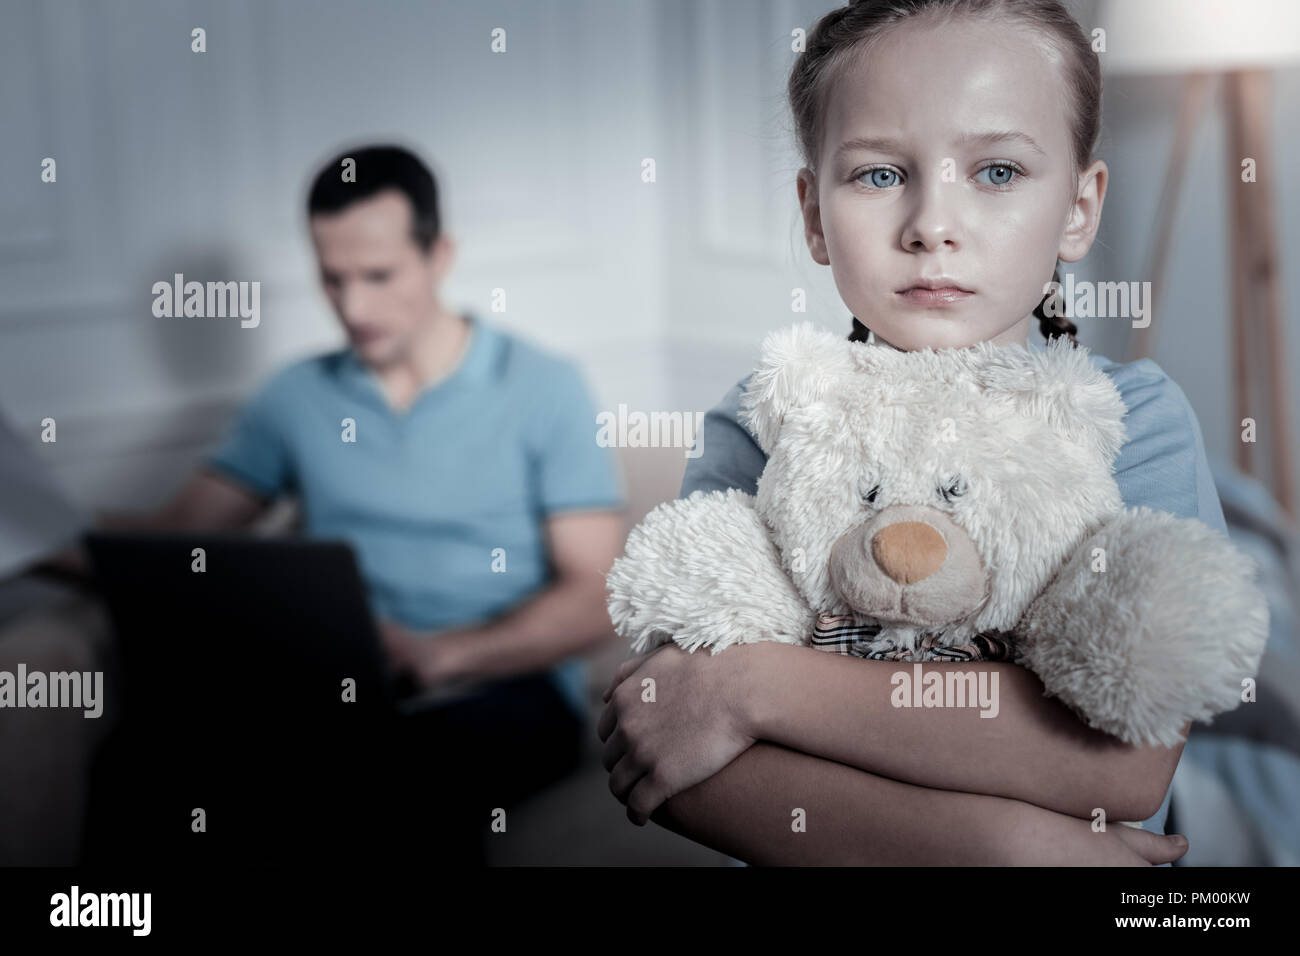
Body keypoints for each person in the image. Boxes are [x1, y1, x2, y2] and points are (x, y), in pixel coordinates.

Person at [598, 0, 1210, 865]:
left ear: (1079, 207)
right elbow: (667, 737)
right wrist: (1005, 846)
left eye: (997, 172)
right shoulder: (766, 422)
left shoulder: (1139, 425)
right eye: (880, 175)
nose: (932, 224)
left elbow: (1128, 766)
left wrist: (754, 686)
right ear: (814, 214)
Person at [62, 144, 626, 863]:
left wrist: (445, 656)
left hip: (501, 690)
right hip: (336, 684)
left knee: (390, 788)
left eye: (378, 276)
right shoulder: (294, 396)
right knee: (141, 764)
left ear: (439, 255)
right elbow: (177, 541)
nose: (354, 308)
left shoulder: (543, 386)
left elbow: (595, 593)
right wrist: (31, 529)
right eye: (333, 280)